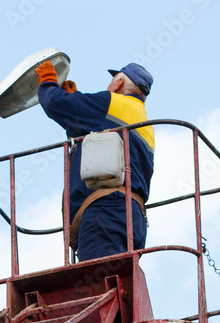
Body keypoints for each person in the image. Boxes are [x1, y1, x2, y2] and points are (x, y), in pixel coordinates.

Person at [35, 61, 155, 261]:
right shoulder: (142, 121)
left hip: (106, 212)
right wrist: (74, 98)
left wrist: (48, 81)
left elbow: (56, 104)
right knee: (118, 277)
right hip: (133, 218)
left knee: (97, 278)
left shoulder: (113, 103)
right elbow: (90, 129)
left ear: (118, 82)